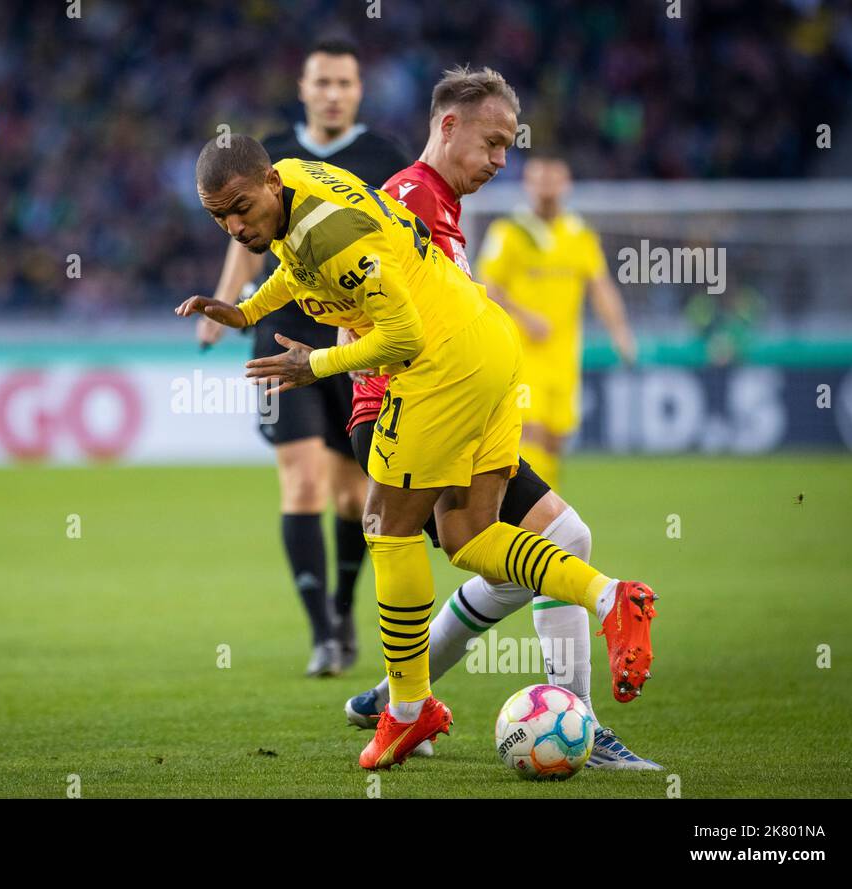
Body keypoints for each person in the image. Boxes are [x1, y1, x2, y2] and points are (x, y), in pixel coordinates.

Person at [177, 136, 658, 770]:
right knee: (469, 537)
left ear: (267, 181)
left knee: (385, 524)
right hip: (491, 349)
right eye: (220, 217)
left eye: (240, 208)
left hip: (440, 370)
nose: (235, 226)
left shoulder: (334, 235)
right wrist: (245, 312)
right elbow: (299, 267)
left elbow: (399, 332)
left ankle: (407, 711)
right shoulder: (294, 180)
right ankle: (610, 597)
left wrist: (312, 363)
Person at [342, 67, 657, 769]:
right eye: (492, 144)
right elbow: (362, 300)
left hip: (454, 410)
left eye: (509, 148)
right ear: (447, 127)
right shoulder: (409, 198)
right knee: (517, 544)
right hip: (412, 416)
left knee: (552, 540)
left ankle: (402, 692)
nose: (500, 162)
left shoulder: (440, 205)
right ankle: (549, 707)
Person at [196, 38, 410, 677]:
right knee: (303, 481)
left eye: (345, 82)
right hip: (276, 332)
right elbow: (247, 241)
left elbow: (399, 234)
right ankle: (322, 634)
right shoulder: (268, 154)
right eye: (323, 82)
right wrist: (230, 304)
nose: (333, 93)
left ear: (358, 89)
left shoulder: (383, 156)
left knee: (354, 496)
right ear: (304, 87)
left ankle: (342, 609)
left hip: (354, 340)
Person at [476, 156, 636, 490]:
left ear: (566, 184)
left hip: (563, 356)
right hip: (521, 355)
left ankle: (545, 516)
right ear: (527, 184)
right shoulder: (509, 232)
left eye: (553, 180)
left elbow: (600, 286)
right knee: (528, 433)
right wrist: (524, 316)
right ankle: (530, 518)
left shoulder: (579, 235)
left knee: (555, 441)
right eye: (539, 180)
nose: (546, 188)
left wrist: (620, 332)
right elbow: (486, 284)